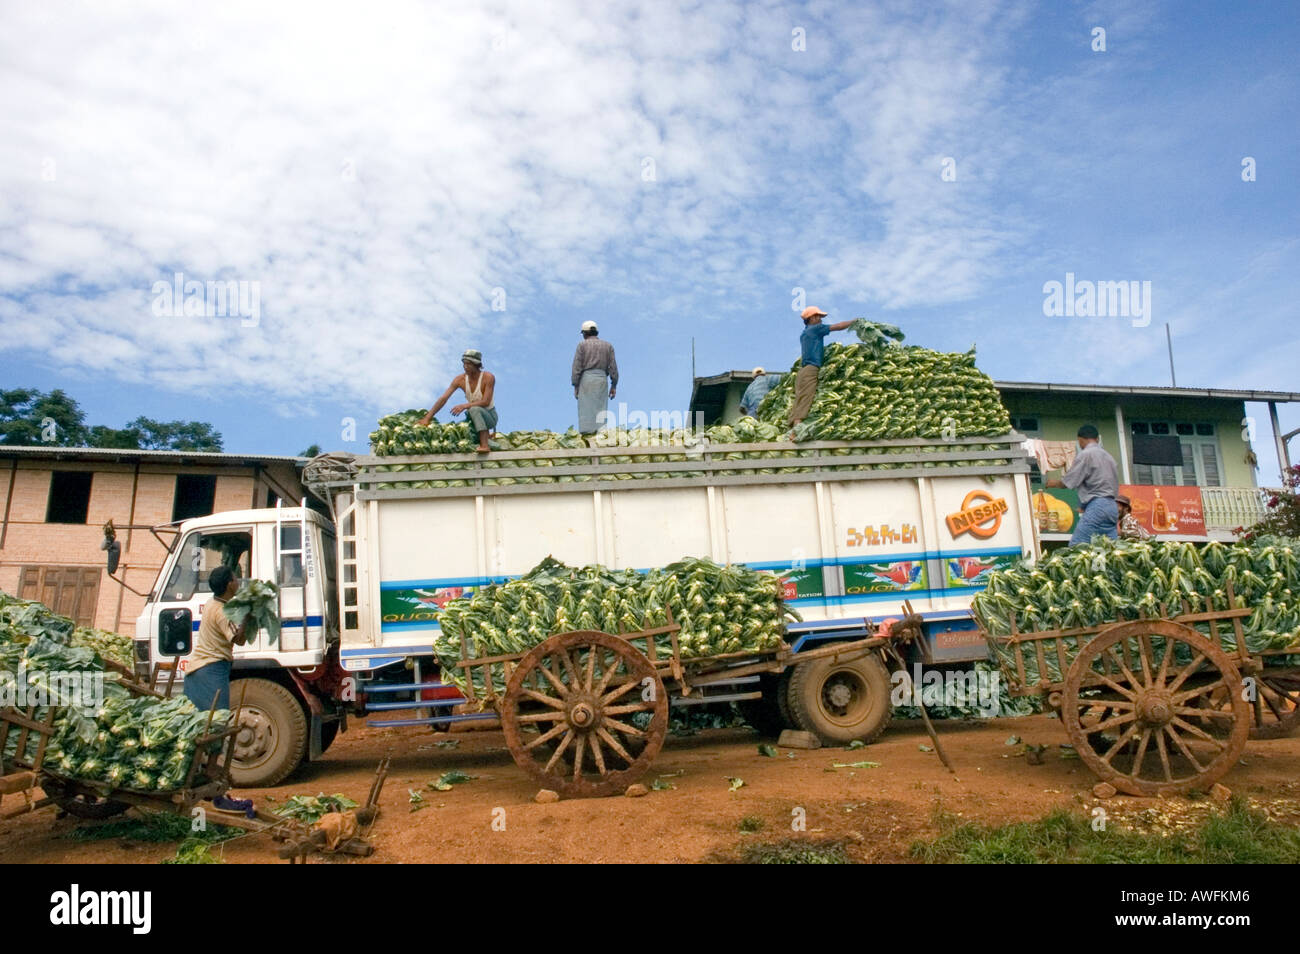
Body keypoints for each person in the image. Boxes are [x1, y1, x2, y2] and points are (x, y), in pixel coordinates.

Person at [185, 565, 255, 815]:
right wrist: (248, 615)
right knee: (216, 726)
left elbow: (240, 639)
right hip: (208, 671)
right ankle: (213, 783)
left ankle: (210, 782)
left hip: (209, 669)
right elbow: (237, 639)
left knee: (212, 727)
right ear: (229, 585)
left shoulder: (216, 604)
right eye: (236, 578)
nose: (238, 582)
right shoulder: (221, 611)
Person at [1046, 424, 1120, 545]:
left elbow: (1070, 481)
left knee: (1077, 546)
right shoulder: (1109, 457)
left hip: (1097, 506)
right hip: (1112, 506)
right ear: (1097, 439)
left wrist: (1054, 483)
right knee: (1110, 549)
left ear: (1080, 440)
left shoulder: (1086, 454)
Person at [788, 307, 856, 432]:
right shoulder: (815, 329)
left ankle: (792, 425)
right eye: (818, 316)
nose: (820, 320)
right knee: (807, 396)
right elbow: (838, 326)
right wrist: (853, 322)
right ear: (811, 318)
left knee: (800, 397)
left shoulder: (805, 333)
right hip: (811, 368)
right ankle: (797, 428)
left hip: (803, 370)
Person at [419, 349, 497, 453]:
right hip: (472, 418)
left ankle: (484, 445)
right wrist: (427, 418)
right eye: (464, 364)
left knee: (474, 409)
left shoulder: (488, 377)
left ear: (476, 365)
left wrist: (464, 406)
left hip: (489, 416)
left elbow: (486, 402)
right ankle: (486, 437)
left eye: (469, 364)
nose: (465, 366)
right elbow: (443, 398)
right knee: (457, 431)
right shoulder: (460, 380)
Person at [571, 320, 618, 434]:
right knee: (601, 408)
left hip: (586, 380)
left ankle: (587, 434)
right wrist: (613, 386)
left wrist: (575, 385)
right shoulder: (608, 346)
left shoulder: (582, 345)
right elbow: (613, 368)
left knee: (586, 409)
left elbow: (577, 367)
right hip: (602, 379)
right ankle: (601, 434)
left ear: (585, 333)